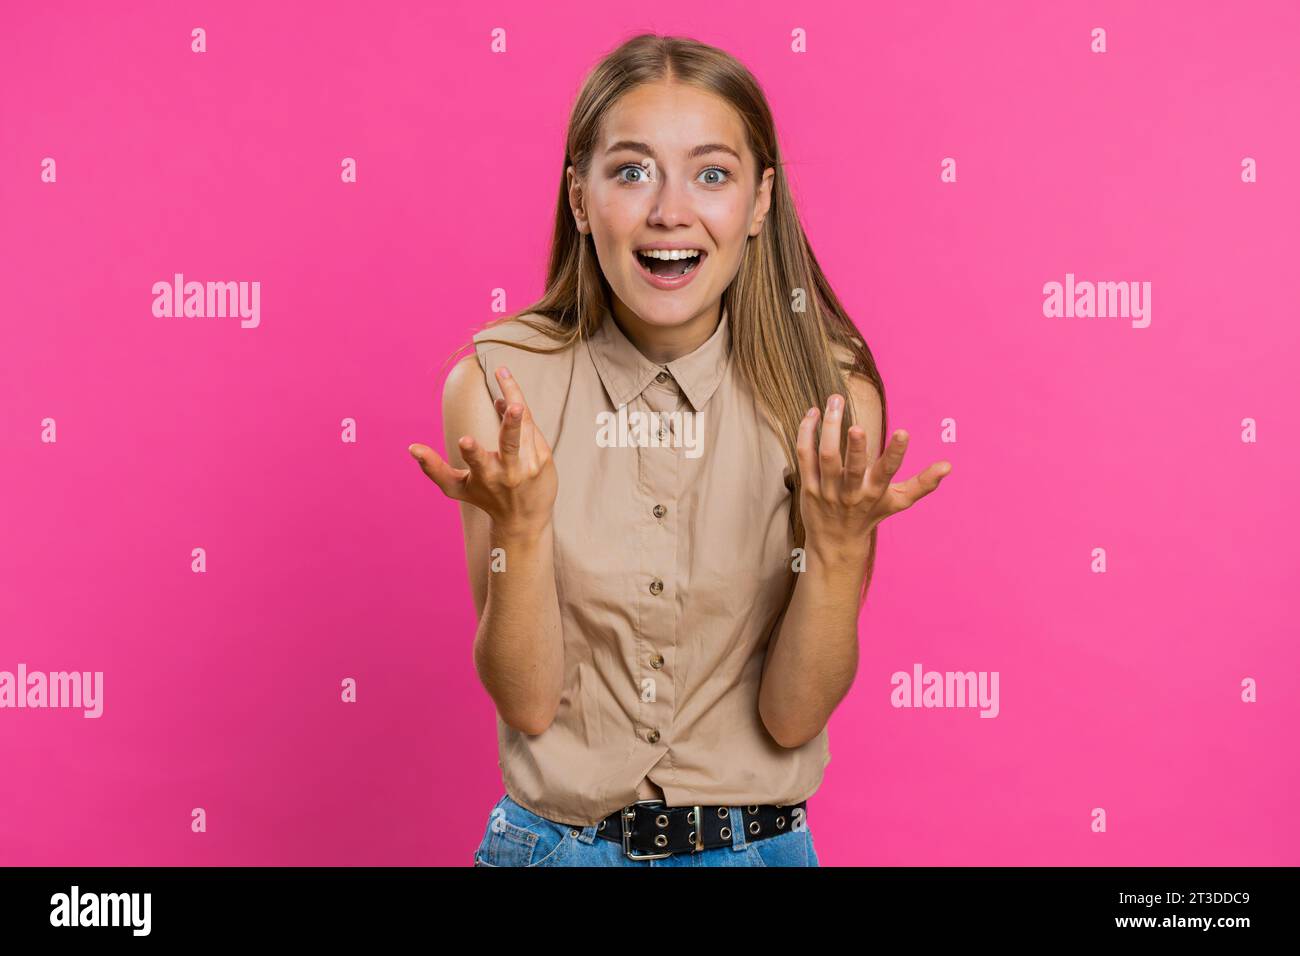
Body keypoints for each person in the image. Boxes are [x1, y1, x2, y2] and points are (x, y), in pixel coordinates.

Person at [408, 33, 951, 866]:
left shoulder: (830, 397)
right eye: (630, 171)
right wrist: (521, 531)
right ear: (581, 200)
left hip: (758, 847)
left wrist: (839, 554)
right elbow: (528, 703)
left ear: (760, 203)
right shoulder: (500, 386)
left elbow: (792, 720)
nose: (669, 211)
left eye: (711, 174)